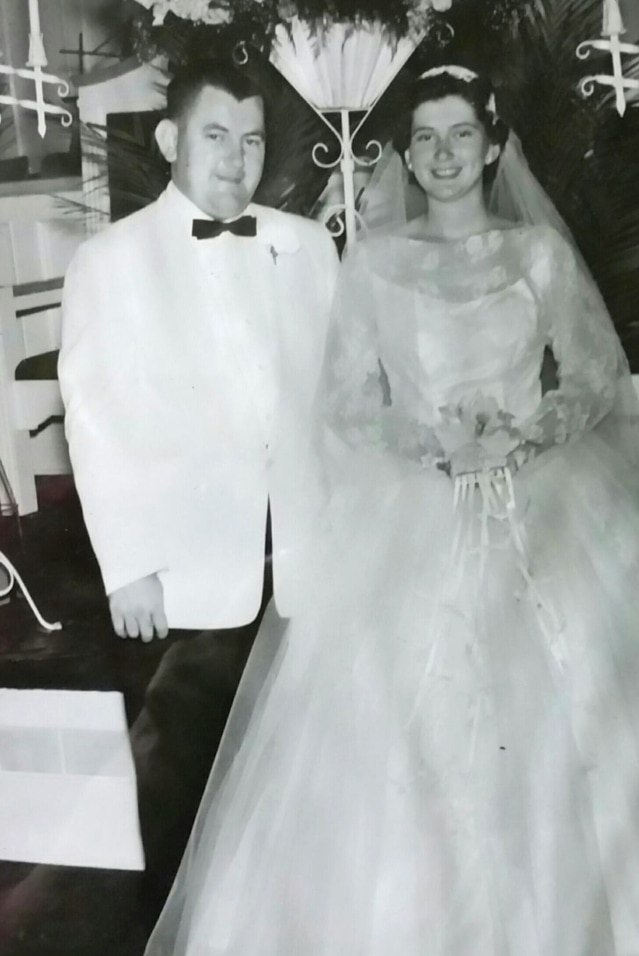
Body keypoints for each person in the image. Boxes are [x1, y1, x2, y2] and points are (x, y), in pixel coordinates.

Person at [145, 66, 639, 955]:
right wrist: (437, 445)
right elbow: (347, 401)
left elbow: (593, 374)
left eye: (460, 134)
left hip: (544, 493)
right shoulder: (375, 261)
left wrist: (527, 434)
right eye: (425, 137)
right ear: (405, 153)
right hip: (417, 502)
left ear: (493, 144)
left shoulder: (538, 255)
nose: (442, 154)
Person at [58, 60, 338, 906]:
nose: (237, 159)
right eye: (216, 136)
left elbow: (333, 400)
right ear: (169, 139)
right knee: (173, 784)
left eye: (252, 140)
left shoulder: (308, 245)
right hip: (183, 576)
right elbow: (95, 423)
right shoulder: (110, 261)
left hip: (300, 560)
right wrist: (128, 566)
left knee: (294, 777)